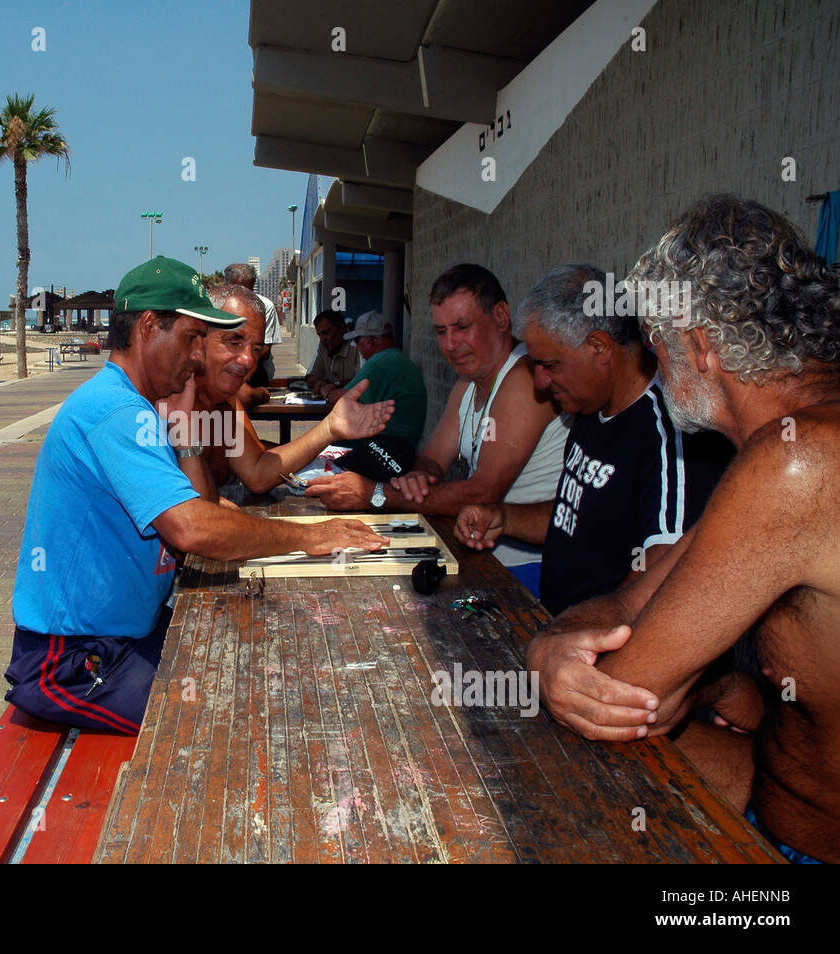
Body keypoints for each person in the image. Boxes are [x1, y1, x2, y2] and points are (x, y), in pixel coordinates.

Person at [526, 195, 840, 863]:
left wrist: (557, 663)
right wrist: (548, 646)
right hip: (766, 777)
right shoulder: (782, 445)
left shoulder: (797, 461)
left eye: (656, 345)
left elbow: (627, 687)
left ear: (699, 347)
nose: (650, 367)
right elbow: (636, 598)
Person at [4, 256, 390, 734]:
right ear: (150, 327)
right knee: (231, 716)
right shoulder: (116, 410)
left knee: (260, 672)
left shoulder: (141, 405)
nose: (195, 355)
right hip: (72, 659)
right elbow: (192, 526)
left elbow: (214, 503)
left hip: (122, 639)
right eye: (191, 338)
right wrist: (308, 537)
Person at [453, 264, 729, 615]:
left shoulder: (670, 428)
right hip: (556, 622)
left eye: (549, 364)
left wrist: (585, 636)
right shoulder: (588, 406)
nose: (539, 381)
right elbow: (579, 513)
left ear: (600, 347)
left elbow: (668, 564)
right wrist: (505, 518)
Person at [307, 264, 570, 596]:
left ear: (502, 317)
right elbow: (432, 459)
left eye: (462, 327)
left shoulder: (523, 379)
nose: (450, 344)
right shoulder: (468, 382)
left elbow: (483, 493)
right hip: (479, 556)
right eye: (441, 331)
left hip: (528, 572)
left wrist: (377, 493)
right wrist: (416, 478)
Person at [181, 284, 393, 497]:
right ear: (198, 340)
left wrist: (329, 429)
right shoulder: (171, 403)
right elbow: (192, 515)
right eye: (234, 341)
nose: (248, 360)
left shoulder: (225, 402)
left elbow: (256, 473)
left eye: (256, 349)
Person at [322, 311, 427, 484]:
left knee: (321, 467)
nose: (358, 349)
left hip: (387, 448)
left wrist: (326, 391)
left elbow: (340, 398)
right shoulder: (398, 358)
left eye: (357, 341)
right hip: (403, 448)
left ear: (369, 341)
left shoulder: (380, 361)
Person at [224, 262, 281, 396]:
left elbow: (265, 351)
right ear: (227, 286)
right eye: (240, 290)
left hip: (257, 368)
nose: (246, 296)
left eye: (249, 291)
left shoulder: (265, 306)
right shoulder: (217, 304)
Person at [302, 310, 360, 398]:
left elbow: (363, 381)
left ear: (342, 329)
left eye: (326, 333)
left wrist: (335, 384)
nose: (322, 339)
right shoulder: (323, 346)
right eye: (319, 335)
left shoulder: (357, 347)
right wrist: (319, 383)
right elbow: (311, 378)